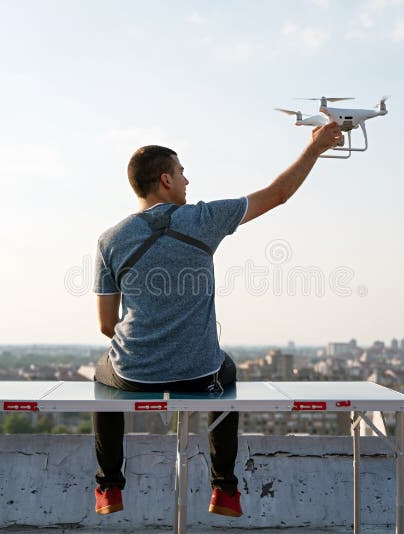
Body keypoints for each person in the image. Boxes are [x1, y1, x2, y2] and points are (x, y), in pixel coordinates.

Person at [92, 122, 343, 517]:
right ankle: (224, 488)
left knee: (101, 375)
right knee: (225, 370)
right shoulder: (204, 219)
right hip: (199, 373)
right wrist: (315, 148)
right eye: (182, 172)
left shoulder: (109, 240)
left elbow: (107, 325)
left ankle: (109, 486)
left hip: (134, 373)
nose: (188, 181)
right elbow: (278, 194)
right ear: (165, 179)